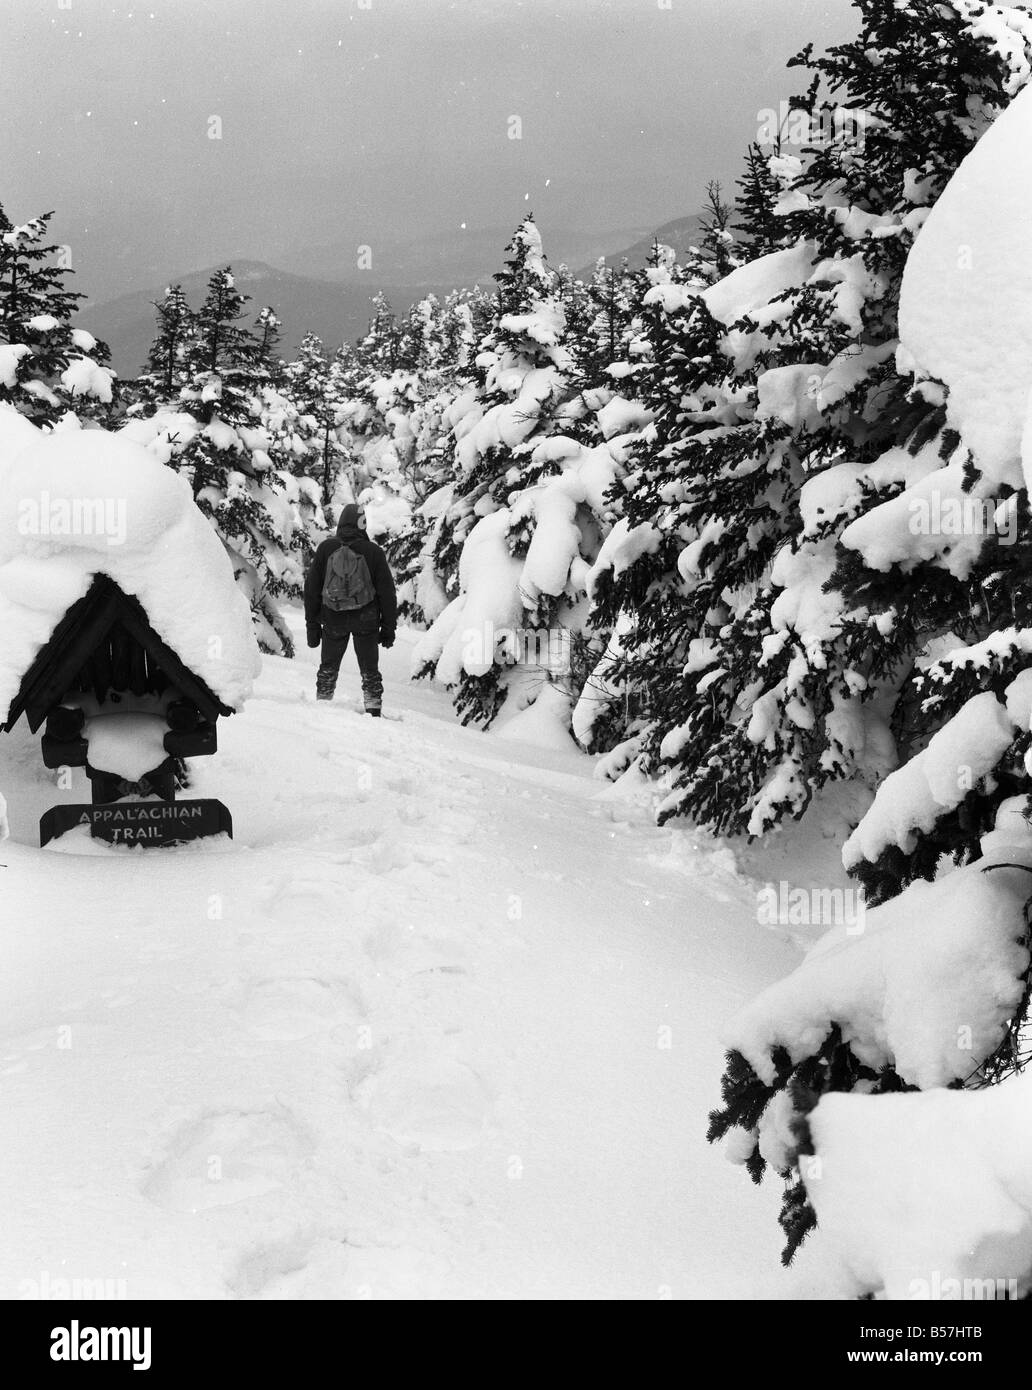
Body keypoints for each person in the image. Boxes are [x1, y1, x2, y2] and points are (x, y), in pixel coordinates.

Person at [304, 502, 397, 715]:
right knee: (369, 670)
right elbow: (387, 593)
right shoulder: (373, 552)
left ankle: (323, 705)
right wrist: (388, 627)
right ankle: (373, 709)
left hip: (332, 618)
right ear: (362, 523)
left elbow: (312, 589)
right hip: (367, 619)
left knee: (328, 667)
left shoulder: (327, 548)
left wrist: (312, 625)